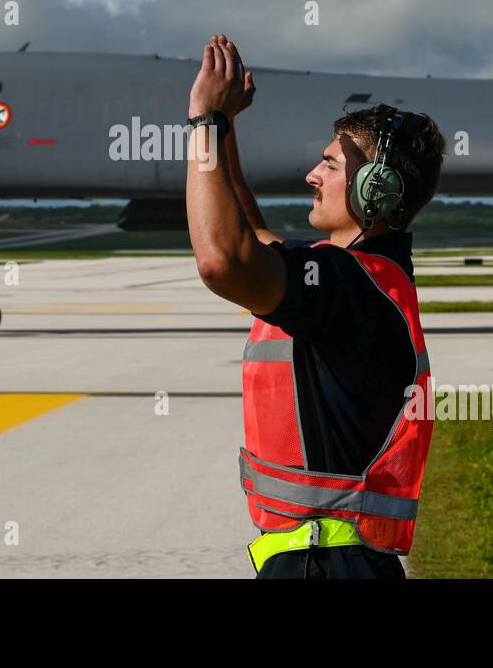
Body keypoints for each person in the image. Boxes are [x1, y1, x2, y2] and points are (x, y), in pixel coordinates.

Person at [185, 35, 446, 579]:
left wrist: (204, 121)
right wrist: (227, 132)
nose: (312, 176)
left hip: (327, 565)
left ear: (375, 190)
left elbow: (223, 261)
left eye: (329, 165)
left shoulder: (350, 286)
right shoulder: (350, 276)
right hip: (326, 559)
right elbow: (252, 236)